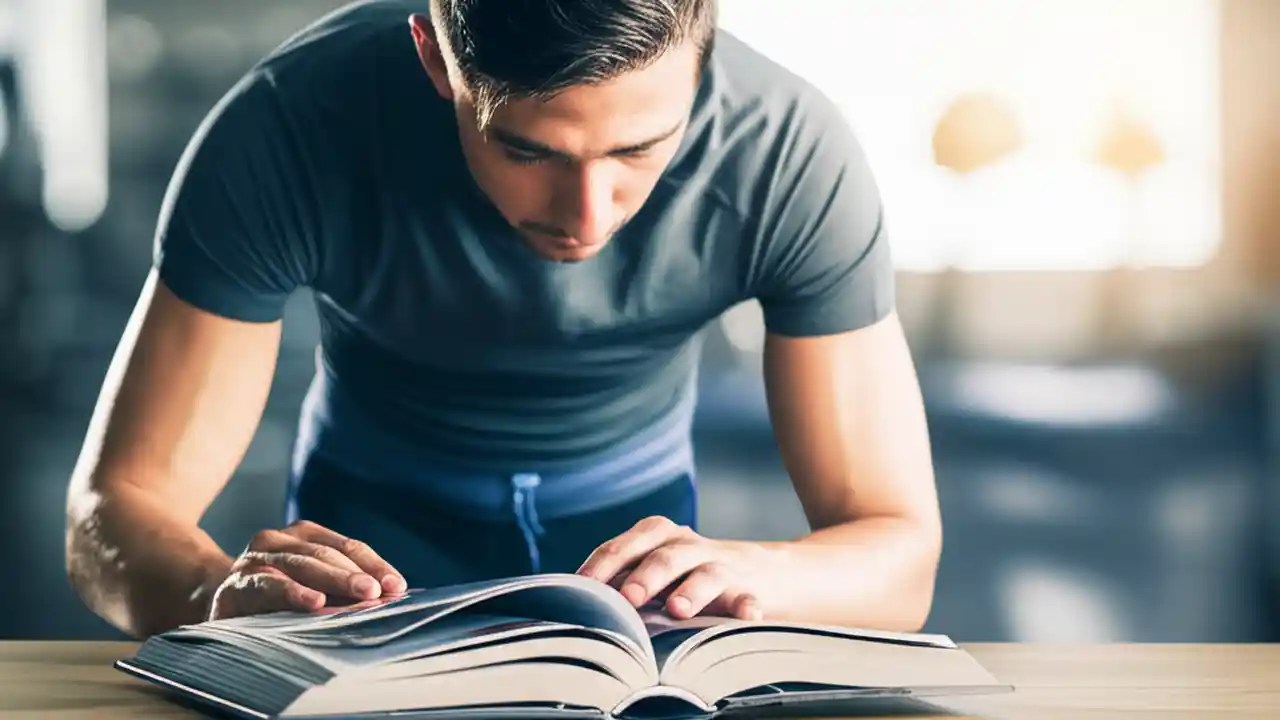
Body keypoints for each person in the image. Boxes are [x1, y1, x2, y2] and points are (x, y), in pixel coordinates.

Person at [66, 0, 941, 638]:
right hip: (367, 551)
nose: (589, 216)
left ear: (704, 51)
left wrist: (767, 573)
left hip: (638, 561)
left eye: (639, 148)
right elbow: (113, 509)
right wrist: (208, 595)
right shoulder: (287, 127)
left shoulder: (790, 152)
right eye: (526, 149)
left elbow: (902, 557)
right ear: (435, 60)